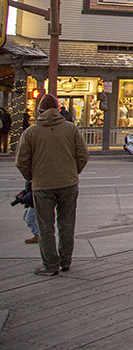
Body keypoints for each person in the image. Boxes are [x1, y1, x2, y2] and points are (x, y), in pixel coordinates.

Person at [15, 93, 89, 276]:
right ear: (58, 109)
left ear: (39, 111)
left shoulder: (31, 132)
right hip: (68, 184)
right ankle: (65, 261)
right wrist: (73, 172)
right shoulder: (71, 129)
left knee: (45, 226)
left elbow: (21, 161)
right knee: (67, 223)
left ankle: (50, 265)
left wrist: (33, 177)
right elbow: (83, 156)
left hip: (43, 185)